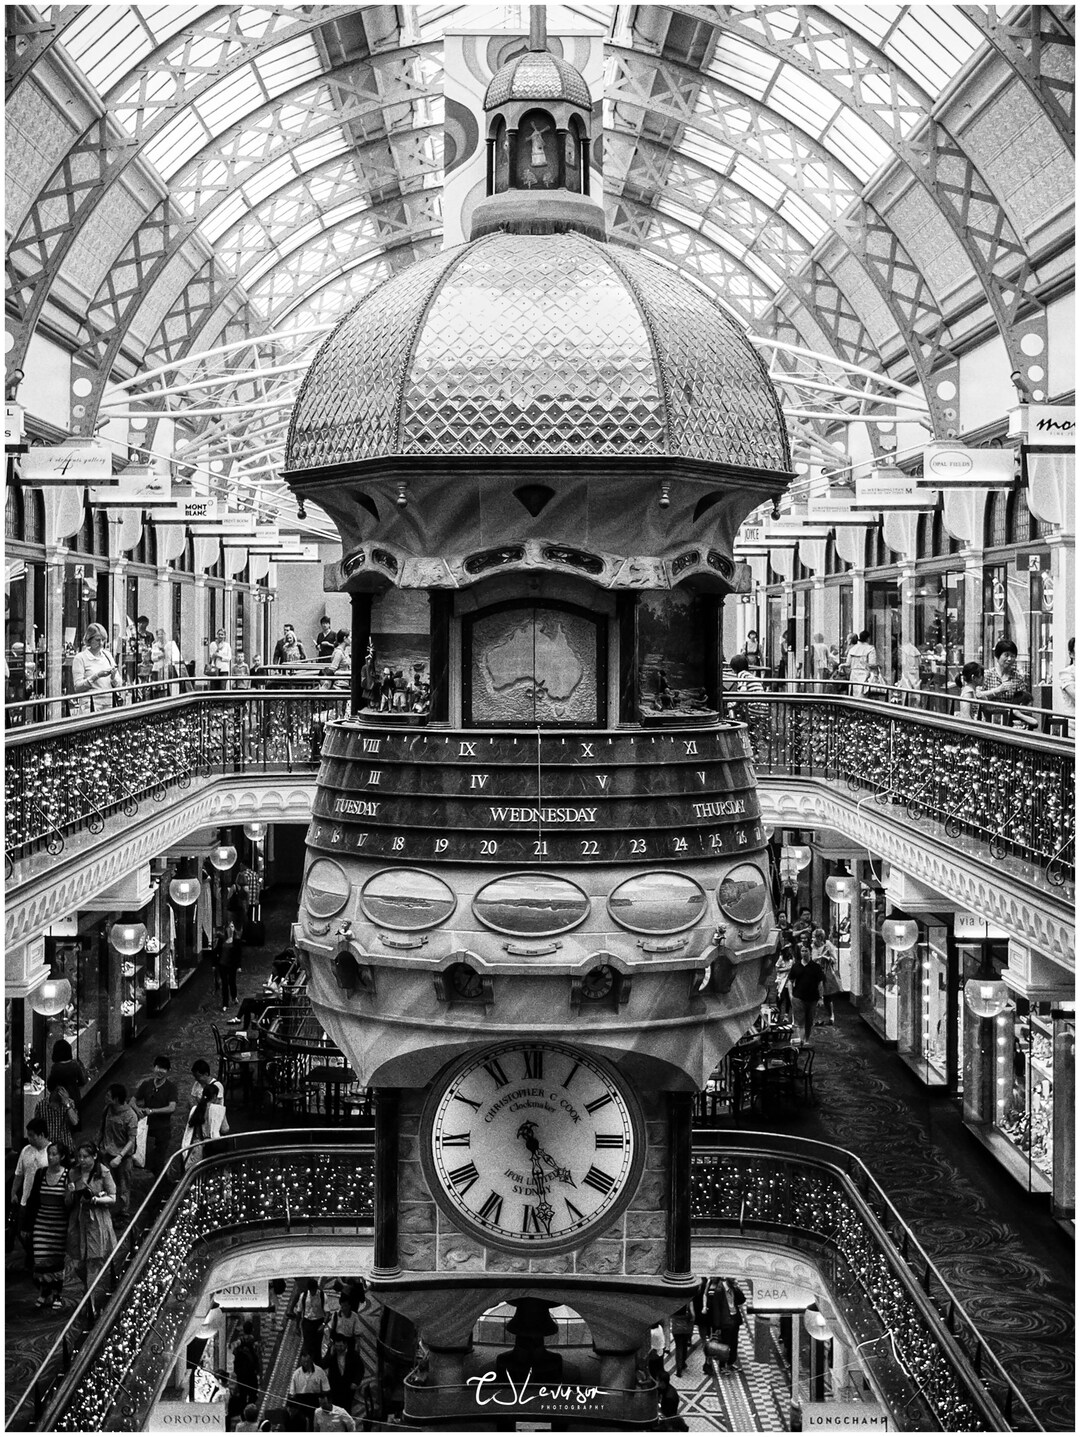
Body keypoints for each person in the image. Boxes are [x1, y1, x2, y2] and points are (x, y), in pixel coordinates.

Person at [65, 1140, 117, 1292]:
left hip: (97, 1219)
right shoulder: (73, 1173)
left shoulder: (103, 1172)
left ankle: (90, 1299)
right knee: (77, 1263)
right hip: (78, 1219)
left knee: (95, 1260)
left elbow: (113, 1197)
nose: (81, 1160)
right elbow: (67, 1202)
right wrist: (70, 1191)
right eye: (79, 1156)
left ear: (94, 1156)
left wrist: (97, 1199)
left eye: (85, 1157)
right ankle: (89, 1289)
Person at [26, 1141, 70, 1308]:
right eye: (49, 1154)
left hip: (59, 1224)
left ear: (62, 1156)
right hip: (42, 1222)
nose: (51, 1157)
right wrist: (27, 1225)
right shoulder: (41, 1173)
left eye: (54, 1154)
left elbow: (69, 1202)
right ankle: (44, 1291)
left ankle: (57, 1294)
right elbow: (33, 1200)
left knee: (56, 1261)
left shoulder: (67, 1175)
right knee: (41, 1259)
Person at [10, 1119, 51, 1261]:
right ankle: (31, 1256)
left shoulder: (51, 1153)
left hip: (43, 1203)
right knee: (22, 1232)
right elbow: (19, 1174)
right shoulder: (25, 1151)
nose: (29, 1138)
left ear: (41, 1134)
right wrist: (13, 1192)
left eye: (32, 1135)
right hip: (25, 1200)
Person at [98, 1083, 139, 1220]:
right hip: (107, 1153)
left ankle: (123, 1211)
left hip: (123, 1157)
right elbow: (103, 1128)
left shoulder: (130, 1115)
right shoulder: (107, 1110)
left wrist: (120, 1156)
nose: (106, 1097)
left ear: (116, 1099)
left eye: (109, 1096)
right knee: (109, 1183)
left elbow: (131, 1140)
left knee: (124, 1184)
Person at [134, 1056, 178, 1178]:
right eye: (158, 1067)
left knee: (159, 1161)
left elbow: (172, 1107)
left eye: (163, 1069)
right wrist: (138, 1110)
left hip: (162, 1129)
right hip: (147, 1129)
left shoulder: (171, 1088)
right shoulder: (146, 1084)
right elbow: (132, 1101)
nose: (160, 1071)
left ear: (168, 1071)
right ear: (154, 1067)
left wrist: (153, 1111)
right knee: (144, 1158)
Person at [977, 637, 1036, 727]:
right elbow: (977, 695)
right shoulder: (987, 675)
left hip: (1010, 723)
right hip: (988, 721)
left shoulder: (1018, 678)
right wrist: (997, 690)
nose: (1009, 659)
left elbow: (1024, 702)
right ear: (997, 656)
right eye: (1006, 655)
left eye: (1012, 656)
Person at [71, 623, 122, 712]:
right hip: (91, 706)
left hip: (110, 704)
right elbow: (77, 687)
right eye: (98, 640)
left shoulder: (107, 655)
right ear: (89, 640)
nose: (101, 643)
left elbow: (119, 683)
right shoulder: (80, 658)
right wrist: (96, 676)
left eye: (103, 640)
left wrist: (113, 677)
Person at [181, 1081, 228, 1167]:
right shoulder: (218, 1110)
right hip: (213, 1147)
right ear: (214, 1096)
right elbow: (225, 1129)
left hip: (197, 1148)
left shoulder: (195, 1109)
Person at [705, 1277, 746, 1369]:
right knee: (724, 1344)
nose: (735, 1280)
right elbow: (717, 1309)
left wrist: (737, 1288)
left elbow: (742, 1300)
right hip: (725, 1321)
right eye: (733, 1279)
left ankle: (731, 1362)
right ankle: (722, 1365)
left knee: (734, 1343)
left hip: (734, 1319)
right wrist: (717, 1326)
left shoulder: (733, 1288)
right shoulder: (719, 1290)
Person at [789, 946, 825, 1044]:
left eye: (806, 951)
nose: (804, 953)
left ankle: (806, 1040)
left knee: (809, 1022)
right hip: (798, 997)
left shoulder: (816, 967)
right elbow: (790, 981)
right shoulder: (796, 966)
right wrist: (791, 995)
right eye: (802, 951)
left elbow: (820, 983)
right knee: (800, 1022)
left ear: (810, 952)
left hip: (812, 998)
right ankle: (801, 1041)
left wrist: (821, 998)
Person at [34, 1076, 81, 1150]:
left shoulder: (70, 1103)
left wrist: (67, 1104)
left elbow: (75, 1122)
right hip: (48, 1147)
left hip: (65, 1145)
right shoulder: (41, 1105)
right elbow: (37, 1128)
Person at [288, 1352, 330, 1431]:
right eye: (303, 1362)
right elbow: (292, 1392)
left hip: (314, 1401)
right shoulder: (296, 1373)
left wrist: (322, 1400)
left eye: (307, 1362)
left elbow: (326, 1389)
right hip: (300, 1401)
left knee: (314, 1424)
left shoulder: (319, 1371)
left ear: (311, 1360)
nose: (305, 1364)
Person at [324, 1334, 364, 1411]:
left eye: (341, 1346)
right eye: (337, 1346)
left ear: (346, 1344)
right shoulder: (333, 1354)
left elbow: (360, 1369)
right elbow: (323, 1365)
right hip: (335, 1386)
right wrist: (330, 1354)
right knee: (335, 1409)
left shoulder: (353, 1355)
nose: (339, 1348)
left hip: (348, 1386)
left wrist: (355, 1382)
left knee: (347, 1408)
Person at [231, 1321, 262, 1416]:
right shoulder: (255, 1344)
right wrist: (261, 1374)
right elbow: (258, 1359)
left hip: (241, 1375)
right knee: (253, 1394)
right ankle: (250, 1411)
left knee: (242, 1395)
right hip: (251, 1374)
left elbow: (232, 1351)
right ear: (252, 1329)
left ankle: (243, 1414)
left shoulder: (239, 1343)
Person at [810, 928, 839, 1025]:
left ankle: (830, 1016)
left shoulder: (828, 946)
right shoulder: (812, 946)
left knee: (827, 996)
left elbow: (834, 959)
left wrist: (826, 958)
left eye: (814, 938)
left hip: (826, 973)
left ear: (820, 938)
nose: (813, 940)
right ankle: (817, 1018)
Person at [297, 1277, 327, 1364]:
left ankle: (317, 1363)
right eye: (311, 1290)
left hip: (318, 1322)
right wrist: (297, 1326)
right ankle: (306, 1363)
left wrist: (323, 1324)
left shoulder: (322, 1296)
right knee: (307, 1344)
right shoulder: (304, 1296)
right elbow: (299, 1312)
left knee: (317, 1344)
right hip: (307, 1322)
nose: (313, 1292)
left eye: (314, 1290)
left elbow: (327, 1312)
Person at [150, 627, 182, 697]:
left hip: (166, 667)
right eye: (159, 634)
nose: (160, 636)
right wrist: (159, 657)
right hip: (157, 667)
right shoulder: (155, 645)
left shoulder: (168, 645)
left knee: (166, 684)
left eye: (162, 634)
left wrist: (165, 653)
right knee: (158, 685)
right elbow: (152, 658)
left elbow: (170, 657)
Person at [847, 629, 877, 697]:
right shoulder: (870, 649)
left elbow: (848, 664)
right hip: (864, 675)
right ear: (868, 638)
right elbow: (872, 664)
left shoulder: (853, 649)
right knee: (863, 697)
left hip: (853, 675)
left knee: (853, 698)